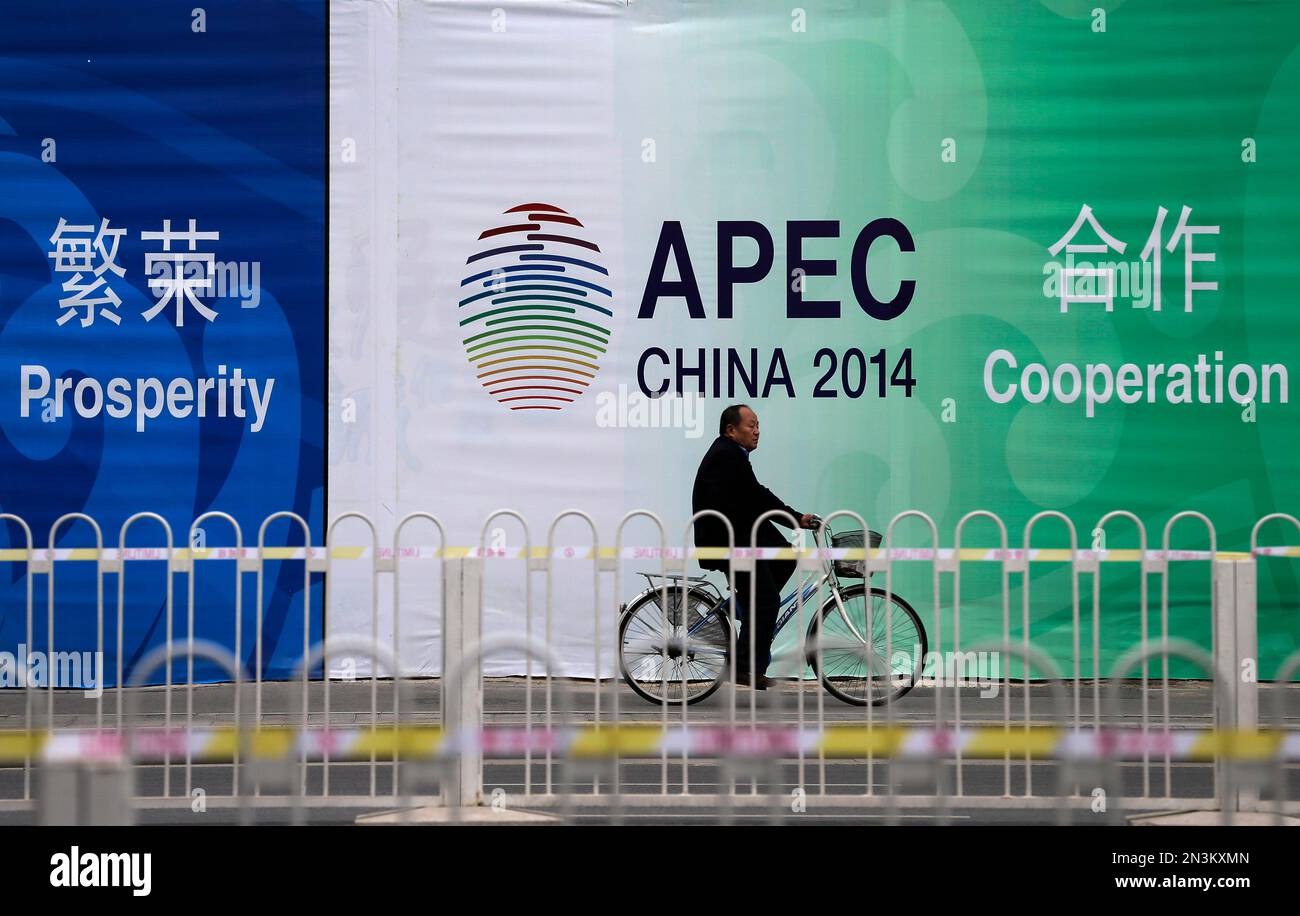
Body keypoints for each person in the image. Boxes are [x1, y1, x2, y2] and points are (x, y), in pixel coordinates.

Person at [691, 404, 816, 689]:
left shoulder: (731, 454)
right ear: (731, 430)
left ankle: (746, 608)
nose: (757, 431)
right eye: (751, 425)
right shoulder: (727, 455)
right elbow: (756, 497)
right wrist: (796, 518)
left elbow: (752, 497)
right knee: (767, 600)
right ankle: (746, 668)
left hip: (738, 535)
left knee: (785, 557)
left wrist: (793, 520)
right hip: (729, 543)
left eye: (758, 425)